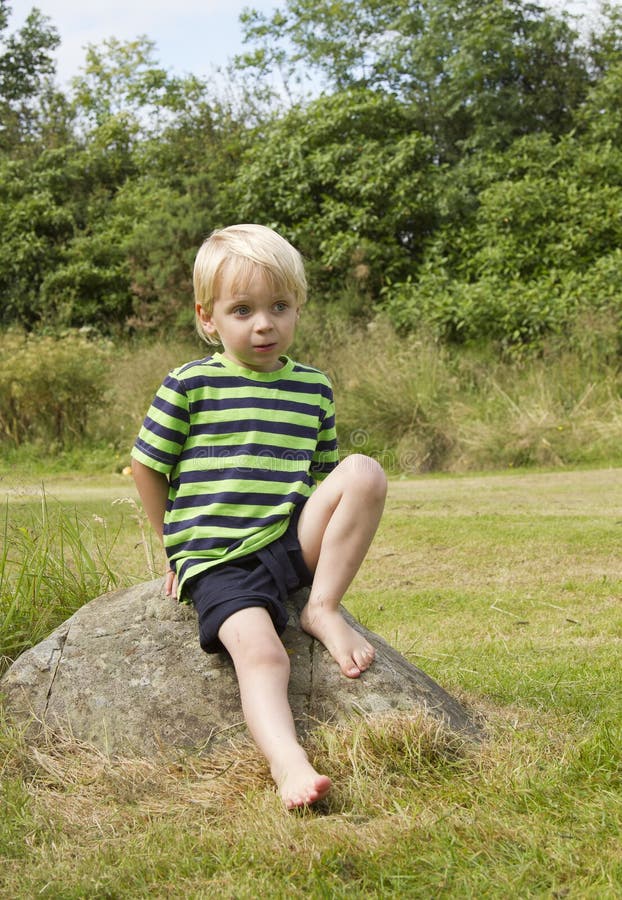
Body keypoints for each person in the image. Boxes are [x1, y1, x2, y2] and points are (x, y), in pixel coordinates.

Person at [131, 224, 387, 809]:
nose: (264, 324)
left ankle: (322, 608)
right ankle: (288, 762)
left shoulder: (313, 388)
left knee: (365, 472)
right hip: (221, 561)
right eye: (242, 310)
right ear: (208, 318)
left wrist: (316, 531)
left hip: (288, 540)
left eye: (279, 307)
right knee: (264, 654)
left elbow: (324, 478)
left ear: (298, 308)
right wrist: (175, 546)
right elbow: (146, 466)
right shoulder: (191, 384)